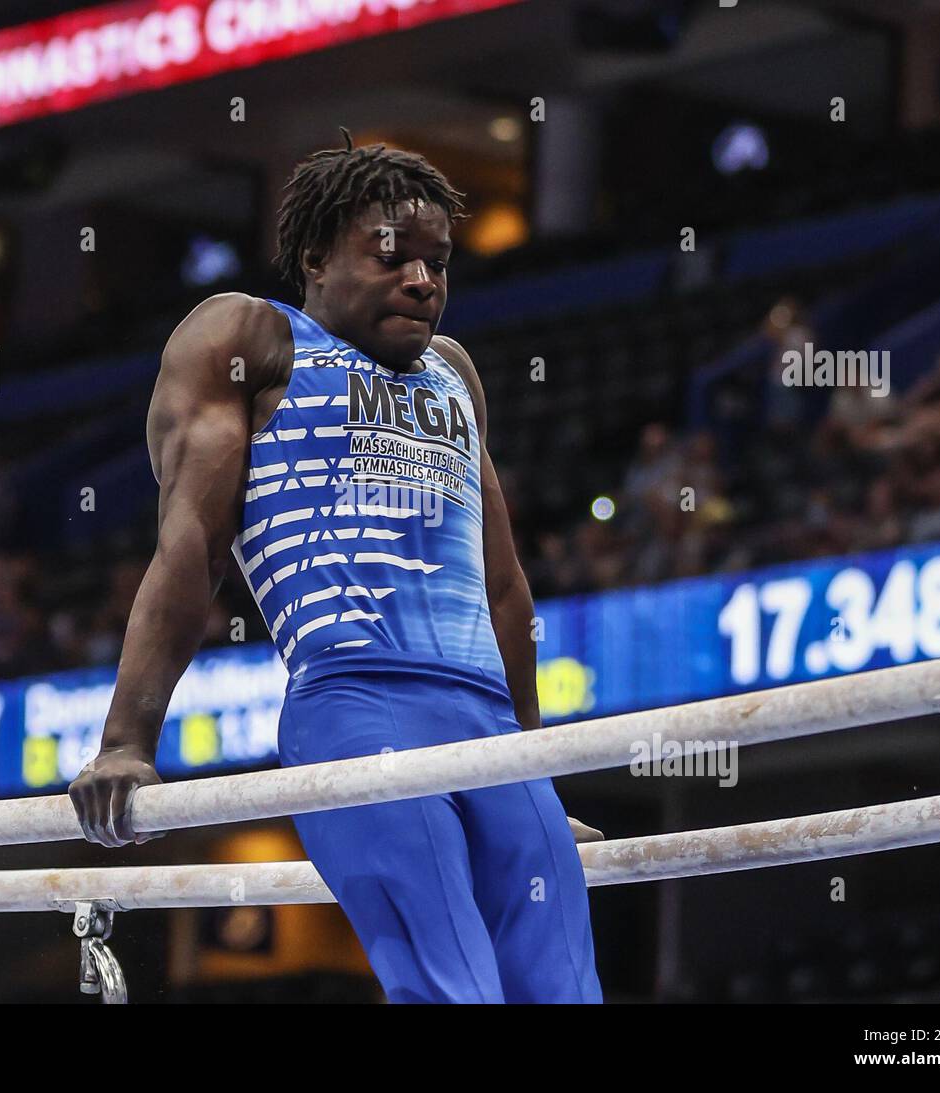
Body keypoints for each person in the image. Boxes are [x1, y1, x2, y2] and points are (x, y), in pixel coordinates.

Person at [69, 130, 603, 1004]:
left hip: (489, 726)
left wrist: (533, 772)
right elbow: (192, 545)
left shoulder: (452, 374)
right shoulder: (250, 338)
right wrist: (128, 740)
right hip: (358, 706)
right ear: (317, 257)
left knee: (563, 991)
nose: (423, 282)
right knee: (454, 989)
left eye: (439, 262)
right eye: (394, 257)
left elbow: (505, 587)